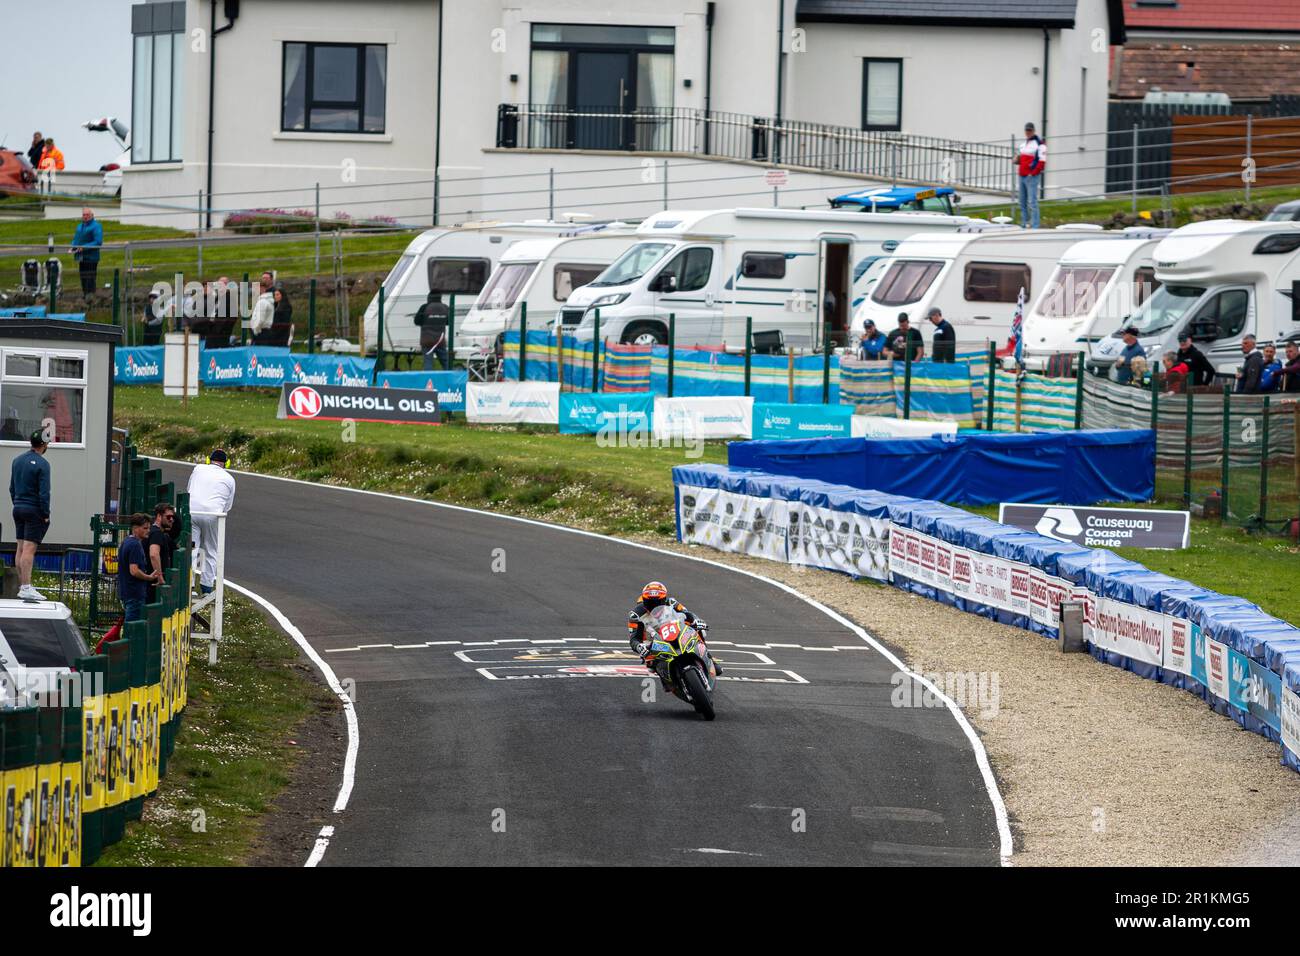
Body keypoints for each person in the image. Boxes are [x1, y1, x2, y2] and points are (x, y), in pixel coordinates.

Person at [627, 581, 721, 676]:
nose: (654, 605)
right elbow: (633, 639)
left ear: (664, 599)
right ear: (644, 601)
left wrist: (696, 621)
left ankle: (709, 659)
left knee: (698, 629)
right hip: (653, 643)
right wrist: (639, 647)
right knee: (652, 665)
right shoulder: (635, 616)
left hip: (674, 633)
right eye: (650, 603)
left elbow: (687, 614)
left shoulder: (672, 603)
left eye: (658, 602)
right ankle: (668, 679)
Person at [186, 449, 236, 595]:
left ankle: (190, 586)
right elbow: (228, 506)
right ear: (226, 463)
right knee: (210, 550)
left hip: (193, 511)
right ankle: (206, 587)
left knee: (193, 548)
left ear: (209, 460)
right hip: (213, 515)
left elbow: (189, 489)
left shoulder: (198, 469)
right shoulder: (230, 479)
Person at [9, 430, 50, 602]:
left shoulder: (17, 461)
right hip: (33, 509)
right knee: (29, 549)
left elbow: (12, 488)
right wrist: (45, 513)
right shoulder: (43, 464)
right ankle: (26, 587)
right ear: (44, 444)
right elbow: (44, 493)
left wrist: (17, 503)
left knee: (20, 547)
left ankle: (23, 586)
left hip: (18, 508)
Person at [117, 514, 158, 623]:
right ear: (135, 528)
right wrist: (149, 577)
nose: (148, 531)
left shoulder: (126, 541)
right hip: (135, 593)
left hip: (126, 591)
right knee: (134, 626)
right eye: (145, 528)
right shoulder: (135, 545)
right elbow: (134, 571)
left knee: (131, 624)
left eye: (149, 528)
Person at [1016, 122, 1047, 229]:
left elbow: (1042, 162)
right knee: (1022, 202)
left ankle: (1035, 226)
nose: (1028, 132)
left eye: (1030, 130)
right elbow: (1022, 160)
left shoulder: (1040, 144)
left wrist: (1032, 173)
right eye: (1027, 130)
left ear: (1033, 131)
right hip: (1022, 175)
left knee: (1032, 202)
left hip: (1031, 177)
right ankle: (1024, 224)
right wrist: (1017, 160)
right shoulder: (1024, 144)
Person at [147, 503, 177, 603]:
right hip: (152, 583)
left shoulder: (156, 532)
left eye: (173, 517)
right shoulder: (156, 533)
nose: (171, 520)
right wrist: (160, 577)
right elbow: (154, 554)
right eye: (168, 517)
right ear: (159, 516)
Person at [414, 292, 450, 371]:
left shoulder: (424, 307)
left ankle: (428, 378)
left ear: (429, 297)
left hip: (427, 341)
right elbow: (448, 322)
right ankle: (450, 377)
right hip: (440, 340)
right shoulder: (445, 307)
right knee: (446, 363)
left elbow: (416, 321)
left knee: (428, 363)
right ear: (440, 297)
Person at [70, 207, 103, 295]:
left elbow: (98, 242)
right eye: (84, 215)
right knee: (83, 277)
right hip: (81, 257)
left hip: (91, 257)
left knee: (90, 278)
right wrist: (72, 246)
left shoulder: (96, 226)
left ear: (92, 215)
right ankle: (85, 295)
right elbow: (76, 239)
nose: (85, 216)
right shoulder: (79, 226)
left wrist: (84, 247)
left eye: (87, 215)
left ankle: (91, 296)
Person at [248, 271, 276, 343]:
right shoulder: (259, 295)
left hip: (264, 326)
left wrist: (255, 330)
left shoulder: (274, 292)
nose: (264, 279)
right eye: (263, 278)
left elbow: (261, 318)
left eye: (266, 278)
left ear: (271, 280)